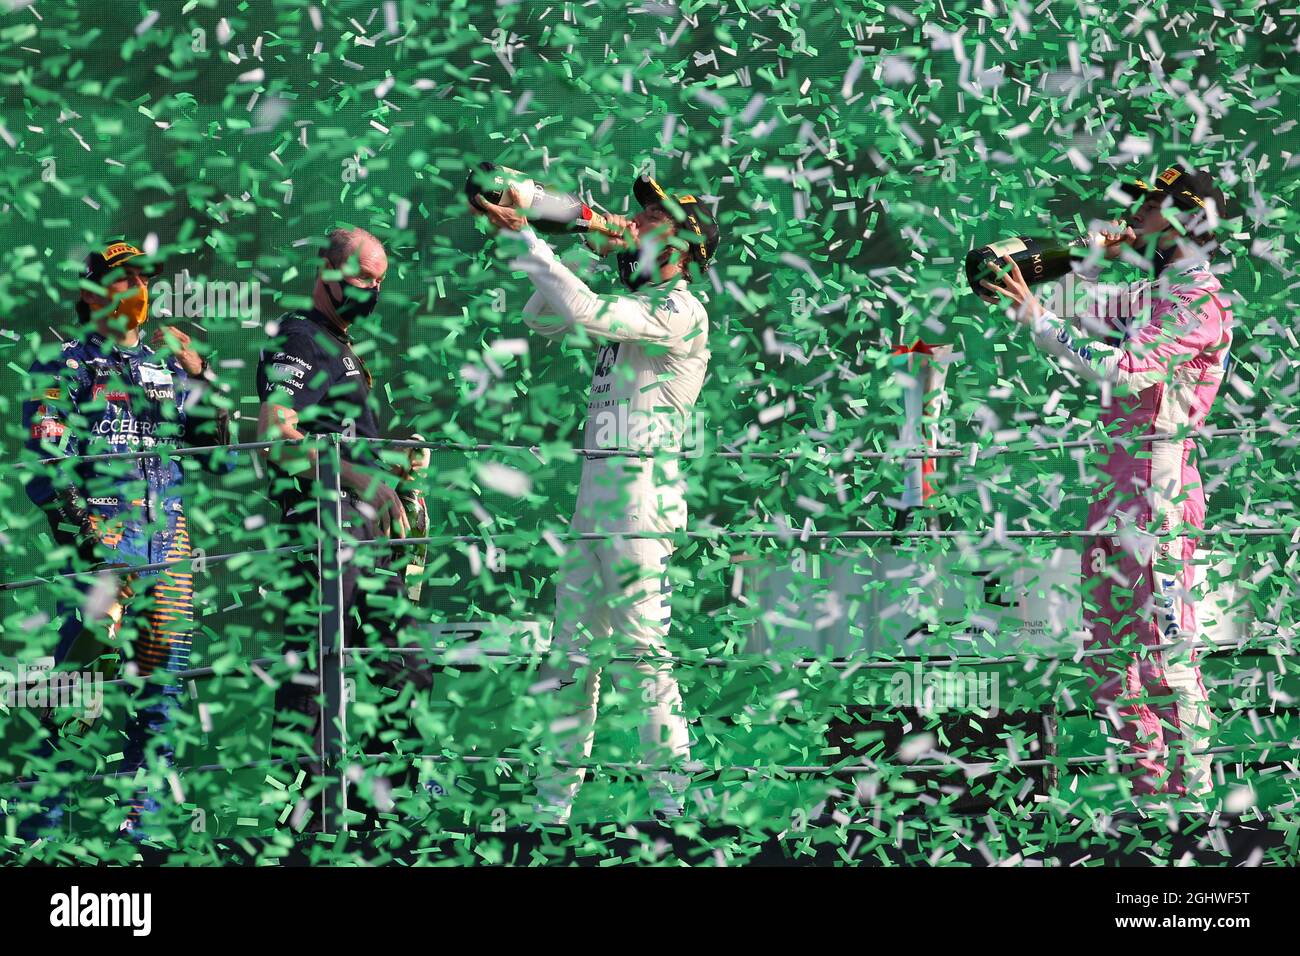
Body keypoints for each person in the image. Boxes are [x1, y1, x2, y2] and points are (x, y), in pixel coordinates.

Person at [473, 173, 720, 823]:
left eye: (651, 221)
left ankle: (672, 808)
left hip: (640, 508)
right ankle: (552, 810)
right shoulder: (636, 301)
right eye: (637, 217)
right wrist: (584, 245)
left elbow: (577, 310)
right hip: (595, 503)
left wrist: (528, 233)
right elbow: (543, 316)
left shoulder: (680, 310)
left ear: (682, 247)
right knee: (570, 661)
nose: (634, 224)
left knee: (644, 659)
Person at [983, 165, 1235, 801]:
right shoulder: (1151, 293)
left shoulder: (1198, 297)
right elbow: (1075, 313)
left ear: (1182, 220)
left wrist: (1041, 316)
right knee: (1109, 663)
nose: (1136, 213)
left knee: (1167, 655)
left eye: (1151, 205)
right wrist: (1074, 264)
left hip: (1161, 495)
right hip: (1114, 493)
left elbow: (1123, 369)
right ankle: (1150, 799)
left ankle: (1198, 800)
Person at [20, 238, 229, 835]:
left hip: (169, 547)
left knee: (161, 696)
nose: (137, 290)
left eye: (143, 278)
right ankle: (37, 829)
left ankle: (143, 830)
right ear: (93, 292)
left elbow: (218, 456)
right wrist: (91, 545)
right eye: (123, 278)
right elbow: (44, 469)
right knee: (77, 694)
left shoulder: (164, 367)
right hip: (104, 550)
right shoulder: (62, 364)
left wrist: (202, 377)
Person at [255, 226, 433, 831]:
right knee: (312, 670)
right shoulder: (297, 338)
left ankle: (386, 813)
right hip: (322, 532)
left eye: (380, 281)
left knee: (407, 664)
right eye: (362, 278)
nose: (372, 290)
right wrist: (359, 478)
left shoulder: (342, 345)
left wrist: (392, 480)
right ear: (326, 272)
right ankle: (299, 822)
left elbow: (347, 444)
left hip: (369, 542)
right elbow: (278, 442)